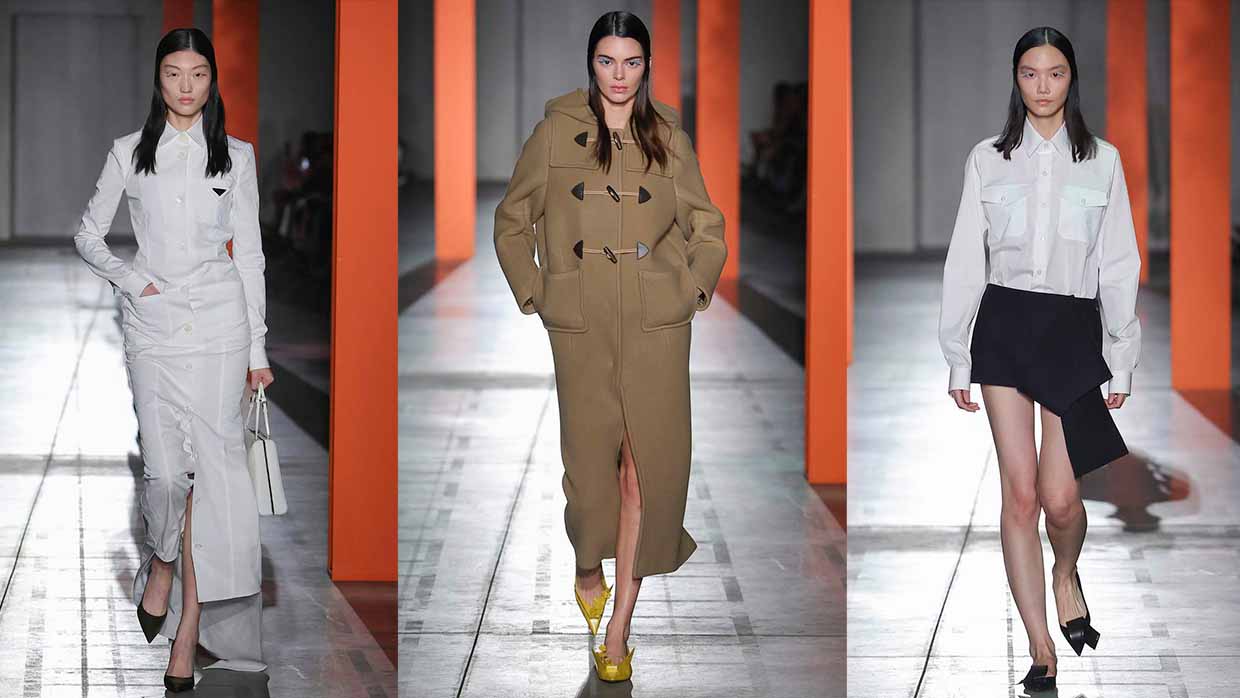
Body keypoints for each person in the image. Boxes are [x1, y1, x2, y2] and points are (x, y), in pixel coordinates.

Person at [493, 10, 727, 683]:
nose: (619, 75)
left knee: (644, 472)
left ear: (646, 66)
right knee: (590, 473)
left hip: (657, 327)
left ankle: (620, 630)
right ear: (590, 63)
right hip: (582, 325)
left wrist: (690, 289)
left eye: (631, 62)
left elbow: (707, 225)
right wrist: (539, 292)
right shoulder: (554, 133)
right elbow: (512, 221)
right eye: (606, 61)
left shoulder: (668, 137)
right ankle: (586, 560)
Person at [938, 26, 1141, 692]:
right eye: (1030, 73)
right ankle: (1039, 646)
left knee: (1061, 500)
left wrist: (1122, 353)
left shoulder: (1102, 161)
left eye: (1055, 73)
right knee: (1020, 495)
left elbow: (1118, 263)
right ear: (1016, 79)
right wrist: (957, 354)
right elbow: (966, 259)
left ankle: (1065, 571)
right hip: (1004, 325)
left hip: (1071, 329)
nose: (1043, 86)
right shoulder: (988, 158)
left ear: (1071, 79)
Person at [73, 28, 273, 692]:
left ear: (212, 81)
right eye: (173, 74)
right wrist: (134, 282)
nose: (186, 87)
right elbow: (88, 234)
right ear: (157, 80)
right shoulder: (129, 152)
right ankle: (160, 560)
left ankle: (188, 631)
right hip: (154, 331)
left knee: (209, 485)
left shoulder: (236, 157)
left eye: (198, 75)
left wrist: (258, 347)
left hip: (220, 328)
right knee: (164, 475)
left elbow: (250, 255)